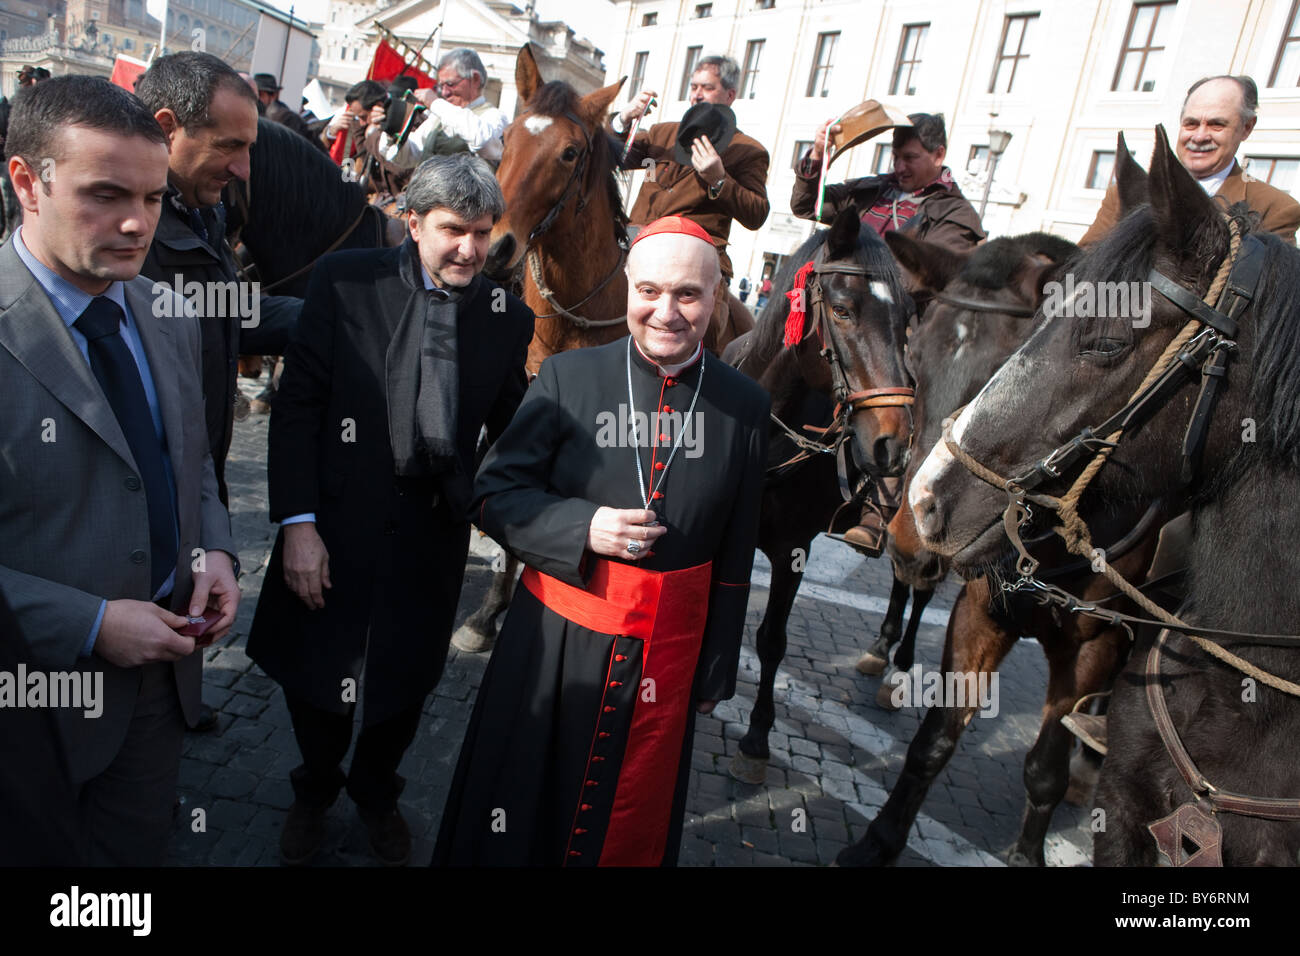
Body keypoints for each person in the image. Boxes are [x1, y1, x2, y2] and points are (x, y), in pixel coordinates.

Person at [434, 215, 770, 867]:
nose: (665, 312)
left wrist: (719, 658)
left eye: (688, 295)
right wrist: (582, 526)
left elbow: (736, 551)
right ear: (627, 292)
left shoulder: (746, 405)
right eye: (649, 291)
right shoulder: (568, 378)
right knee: (523, 805)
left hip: (666, 655)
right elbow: (490, 493)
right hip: (555, 639)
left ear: (716, 297)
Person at [247, 154, 534, 867]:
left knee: (405, 684)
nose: (469, 247)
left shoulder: (506, 317)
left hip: (430, 538)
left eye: (480, 230)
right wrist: (299, 527)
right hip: (332, 529)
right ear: (412, 223)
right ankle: (313, 789)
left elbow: (518, 430)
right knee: (318, 680)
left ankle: (376, 792)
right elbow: (299, 411)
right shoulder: (344, 284)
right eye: (451, 230)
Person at [0, 75, 240, 864]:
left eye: (155, 196)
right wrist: (93, 624)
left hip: (155, 706)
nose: (139, 223)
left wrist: (217, 553)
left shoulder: (161, 309)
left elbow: (191, 457)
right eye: (105, 195)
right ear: (26, 182)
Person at [135, 53, 303, 505]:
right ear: (167, 128)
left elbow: (218, 307)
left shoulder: (202, 212)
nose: (244, 169)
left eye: (249, 149)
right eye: (228, 146)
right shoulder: (127, 238)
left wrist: (334, 314)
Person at [1081, 74, 1300, 245]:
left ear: (1247, 128)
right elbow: (1084, 265)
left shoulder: (1276, 210)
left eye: (1217, 124)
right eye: (1191, 124)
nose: (1199, 136)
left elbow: (1268, 296)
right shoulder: (1122, 194)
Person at [614, 55, 769, 283]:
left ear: (730, 95)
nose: (697, 95)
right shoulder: (662, 133)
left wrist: (719, 180)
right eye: (694, 87)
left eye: (707, 88)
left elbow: (756, 214)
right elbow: (612, 155)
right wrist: (623, 120)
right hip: (636, 247)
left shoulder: (748, 150)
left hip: (693, 260)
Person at [792, 111, 985, 254]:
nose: (899, 167)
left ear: (938, 155)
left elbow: (927, 278)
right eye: (896, 157)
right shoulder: (870, 191)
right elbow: (806, 206)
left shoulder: (957, 213)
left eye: (910, 158)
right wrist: (818, 152)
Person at [372, 48, 507, 169]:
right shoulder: (438, 117)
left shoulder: (494, 116)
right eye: (442, 86)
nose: (444, 92)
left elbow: (484, 142)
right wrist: (391, 128)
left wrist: (436, 104)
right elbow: (406, 158)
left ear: (475, 79)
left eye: (450, 84)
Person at [321, 79, 387, 167]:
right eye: (357, 117)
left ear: (378, 107)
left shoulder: (390, 129)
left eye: (363, 117)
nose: (361, 123)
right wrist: (332, 131)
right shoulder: (350, 118)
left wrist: (374, 132)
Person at [252, 72, 314, 143]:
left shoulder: (285, 118)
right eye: (253, 94)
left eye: (260, 94)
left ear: (273, 96)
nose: (256, 99)